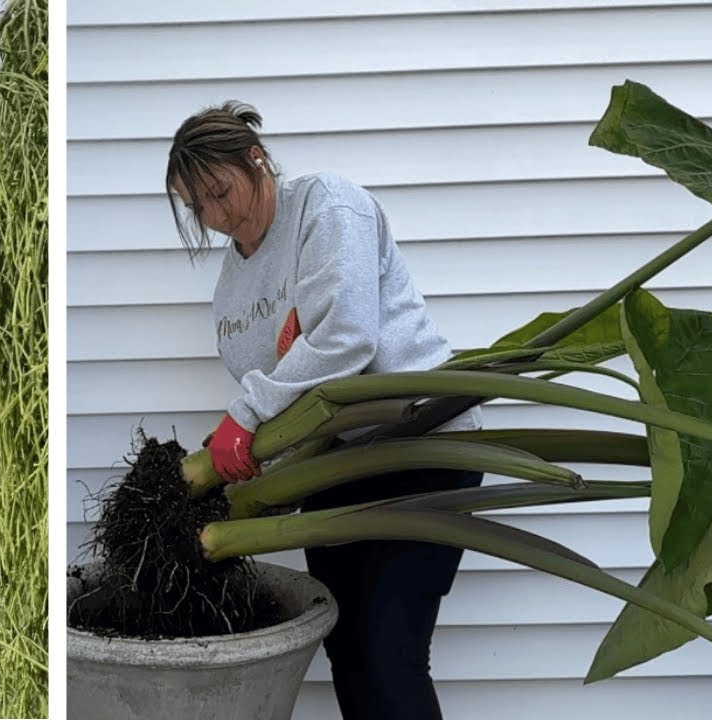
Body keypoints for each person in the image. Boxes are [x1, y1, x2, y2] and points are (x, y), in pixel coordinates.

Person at [166, 101, 483, 720]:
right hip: (336, 468)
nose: (213, 215)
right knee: (347, 652)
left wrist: (250, 409)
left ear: (256, 160)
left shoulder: (327, 207)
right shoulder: (231, 282)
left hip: (421, 445)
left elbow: (347, 338)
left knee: (392, 652)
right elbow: (285, 390)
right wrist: (248, 445)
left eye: (219, 191)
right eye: (195, 205)